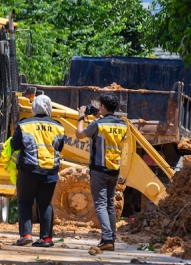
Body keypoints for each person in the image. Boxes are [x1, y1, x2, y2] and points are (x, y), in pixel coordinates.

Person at [76, 92, 128, 251]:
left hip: (99, 169)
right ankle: (111, 237)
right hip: (114, 169)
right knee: (109, 204)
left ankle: (106, 238)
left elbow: (79, 135)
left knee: (100, 204)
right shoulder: (122, 125)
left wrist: (81, 117)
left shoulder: (98, 124)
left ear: (103, 107)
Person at [12, 94, 65, 247]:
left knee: (24, 202)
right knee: (45, 204)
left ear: (34, 107)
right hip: (50, 172)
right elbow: (59, 147)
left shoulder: (24, 125)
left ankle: (26, 235)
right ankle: (46, 238)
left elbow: (15, 145)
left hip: (28, 170)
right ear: (49, 107)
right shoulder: (58, 126)